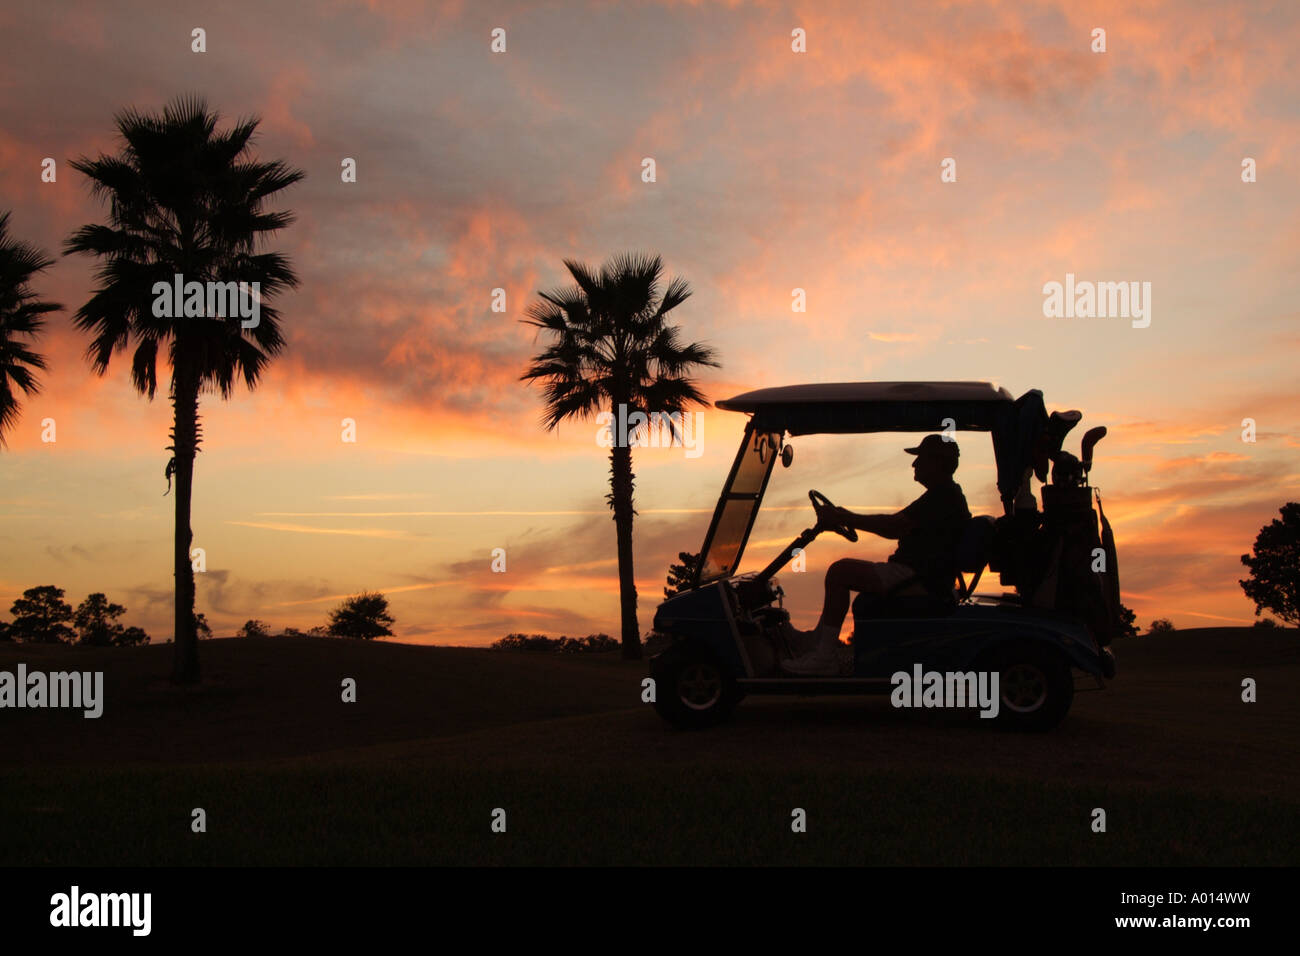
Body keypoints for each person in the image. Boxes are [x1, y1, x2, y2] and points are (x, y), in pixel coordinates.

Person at [784, 434, 971, 675]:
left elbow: (892, 526)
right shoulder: (943, 494)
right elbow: (897, 524)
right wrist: (844, 516)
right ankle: (818, 643)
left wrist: (843, 517)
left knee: (840, 572)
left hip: (920, 578)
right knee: (843, 573)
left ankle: (825, 657)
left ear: (936, 462)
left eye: (920, 459)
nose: (914, 464)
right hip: (922, 574)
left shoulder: (943, 496)